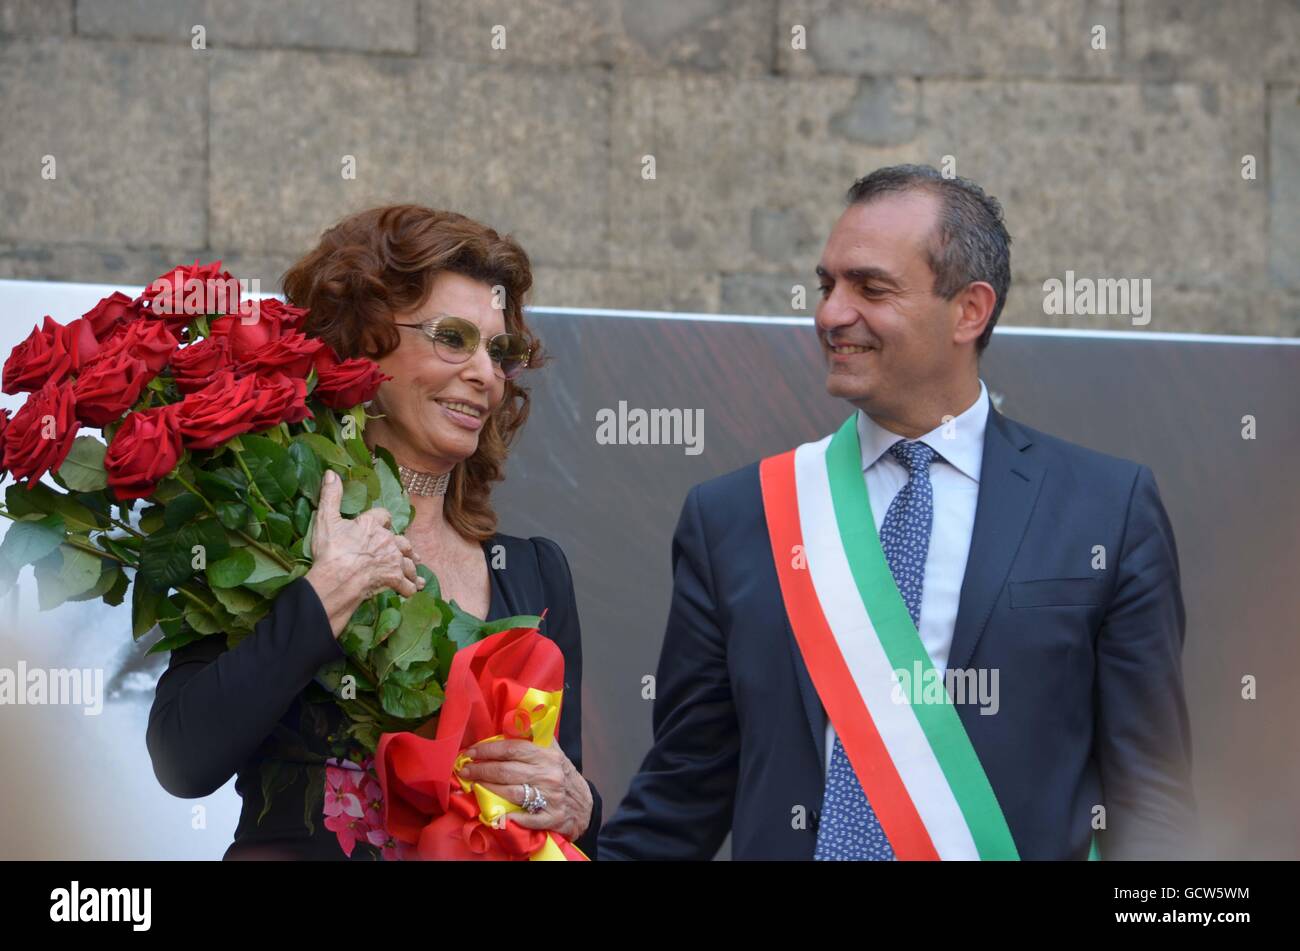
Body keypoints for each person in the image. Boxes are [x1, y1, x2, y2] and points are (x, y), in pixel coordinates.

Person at [600, 165, 1196, 861]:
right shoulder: (736, 516)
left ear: (969, 310)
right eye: (827, 285)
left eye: (870, 287)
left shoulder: (1105, 509)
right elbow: (683, 791)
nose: (829, 313)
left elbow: (1149, 796)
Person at [147, 205, 599, 859]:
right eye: (453, 337)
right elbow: (182, 759)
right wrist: (325, 593)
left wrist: (578, 802)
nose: (485, 373)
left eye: (498, 350)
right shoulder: (266, 529)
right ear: (365, 341)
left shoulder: (535, 574)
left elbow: (549, 806)